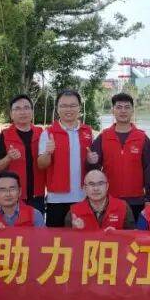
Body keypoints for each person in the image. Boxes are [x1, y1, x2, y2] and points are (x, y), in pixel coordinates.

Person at [90, 93, 150, 220]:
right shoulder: (103, 137)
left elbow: (149, 170)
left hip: (137, 200)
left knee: (135, 232)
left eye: (127, 107)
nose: (123, 111)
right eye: (119, 107)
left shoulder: (142, 138)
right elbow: (93, 169)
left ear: (132, 110)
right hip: (109, 199)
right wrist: (91, 162)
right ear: (113, 110)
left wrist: (149, 198)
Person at [39, 89, 94, 228]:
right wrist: (48, 153)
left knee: (81, 237)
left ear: (79, 108)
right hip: (56, 199)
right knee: (55, 238)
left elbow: (93, 164)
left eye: (73, 105)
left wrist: (93, 160)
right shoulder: (48, 133)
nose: (68, 109)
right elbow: (41, 164)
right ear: (57, 109)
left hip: (83, 197)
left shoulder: (87, 132)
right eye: (63, 106)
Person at [0, 94, 47, 213]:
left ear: (32, 112)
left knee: (37, 224)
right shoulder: (4, 136)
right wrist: (8, 158)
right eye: (17, 108)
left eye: (26, 108)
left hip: (38, 196)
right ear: (11, 114)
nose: (23, 112)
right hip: (11, 198)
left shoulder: (42, 134)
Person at [67, 169, 136, 230]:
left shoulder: (123, 207)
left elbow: (132, 236)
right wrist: (75, 232)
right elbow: (67, 238)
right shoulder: (74, 212)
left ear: (107, 186)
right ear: (85, 188)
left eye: (100, 184)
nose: (96, 188)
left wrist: (117, 234)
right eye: (91, 184)